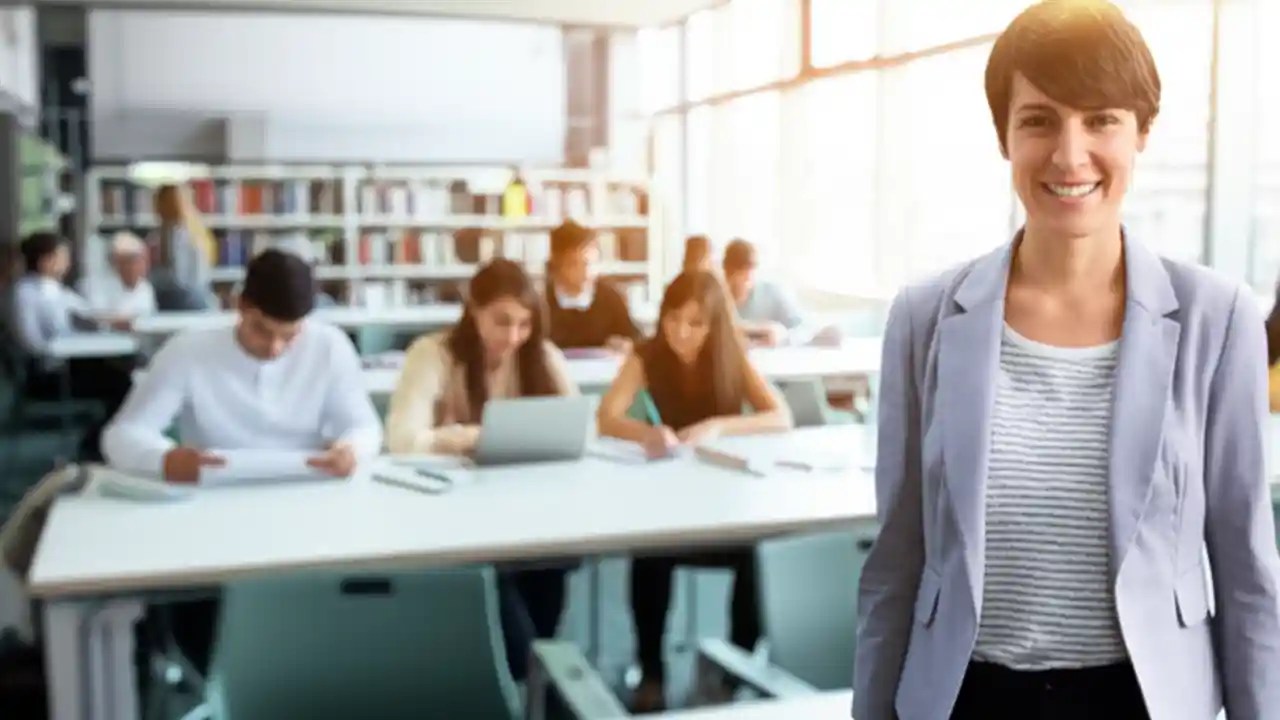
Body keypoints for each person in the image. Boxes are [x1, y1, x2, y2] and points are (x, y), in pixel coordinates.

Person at [853, 3, 1280, 719]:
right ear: (1005, 138)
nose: (1069, 154)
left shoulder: (1217, 318)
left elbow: (1246, 573)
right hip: (967, 694)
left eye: (1101, 119)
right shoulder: (925, 318)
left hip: (1142, 698)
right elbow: (896, 563)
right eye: (1039, 120)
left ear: (1143, 132)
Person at [101, 249, 382, 672]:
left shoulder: (330, 346)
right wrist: (164, 459)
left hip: (310, 520)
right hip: (214, 525)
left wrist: (352, 449)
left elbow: (366, 428)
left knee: (360, 599)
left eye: (290, 337)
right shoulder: (189, 350)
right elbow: (121, 436)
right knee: (215, 631)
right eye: (261, 331)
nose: (274, 348)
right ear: (240, 306)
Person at [595, 270, 793, 712]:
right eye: (672, 320)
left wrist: (721, 425)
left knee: (758, 557)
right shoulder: (646, 355)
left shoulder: (730, 355)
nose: (681, 333)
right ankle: (652, 672)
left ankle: (731, 672)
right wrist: (644, 433)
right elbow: (606, 417)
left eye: (695, 323)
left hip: (724, 501)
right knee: (649, 552)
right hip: (668, 497)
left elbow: (779, 416)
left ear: (715, 325)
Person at [384, 258, 577, 681]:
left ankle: (532, 685)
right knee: (513, 618)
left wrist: (461, 434)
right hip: (461, 520)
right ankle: (533, 687)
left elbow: (579, 430)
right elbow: (402, 440)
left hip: (534, 515)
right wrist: (473, 437)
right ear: (474, 312)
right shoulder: (433, 354)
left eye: (524, 324)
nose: (513, 338)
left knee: (545, 581)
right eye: (501, 322)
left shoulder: (541, 356)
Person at [6, 232, 133, 460]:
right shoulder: (24, 293)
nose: (67, 263)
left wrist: (116, 319)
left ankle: (98, 442)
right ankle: (94, 445)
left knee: (124, 373)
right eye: (62, 257)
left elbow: (88, 312)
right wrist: (68, 344)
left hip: (66, 364)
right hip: (47, 374)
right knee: (121, 385)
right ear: (45, 260)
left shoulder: (55, 288)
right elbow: (32, 343)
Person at [544, 220, 642, 354]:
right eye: (574, 264)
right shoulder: (542, 301)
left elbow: (635, 338)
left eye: (589, 264)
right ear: (557, 265)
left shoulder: (609, 298)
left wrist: (626, 344)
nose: (585, 273)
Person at [721, 238, 808, 347]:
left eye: (749, 271)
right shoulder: (714, 298)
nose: (744, 279)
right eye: (738, 272)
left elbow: (804, 329)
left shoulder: (772, 294)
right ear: (726, 272)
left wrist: (782, 334)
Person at [148, 184, 217, 310]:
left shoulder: (181, 233)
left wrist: (153, 277)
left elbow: (180, 278)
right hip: (197, 297)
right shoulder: (194, 228)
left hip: (186, 299)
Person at [78, 232, 157, 320]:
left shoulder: (146, 288)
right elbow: (95, 319)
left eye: (143, 260)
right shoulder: (94, 285)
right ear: (118, 263)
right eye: (132, 261)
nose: (142, 266)